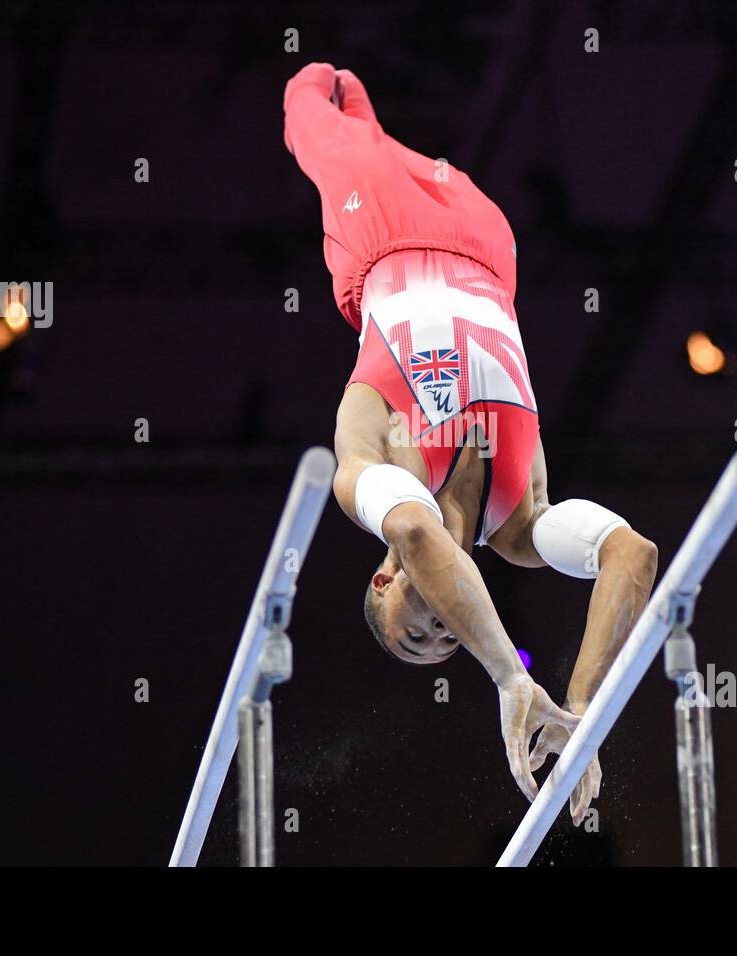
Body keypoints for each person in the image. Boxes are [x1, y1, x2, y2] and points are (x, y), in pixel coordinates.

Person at [284, 63, 658, 824]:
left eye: (417, 630)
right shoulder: (520, 527)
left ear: (386, 581)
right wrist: (579, 714)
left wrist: (510, 682)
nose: (442, 626)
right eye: (445, 638)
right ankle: (368, 113)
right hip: (490, 246)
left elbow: (417, 529)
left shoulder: (371, 474)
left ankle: (343, 87)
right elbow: (634, 556)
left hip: (377, 233)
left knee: (315, 113)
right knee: (373, 132)